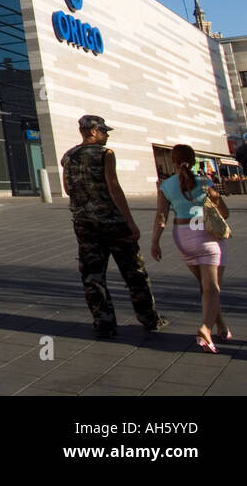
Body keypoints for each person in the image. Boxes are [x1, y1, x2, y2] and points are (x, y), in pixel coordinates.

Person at [61, 114, 166, 339]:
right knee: (134, 273)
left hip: (84, 225)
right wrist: (129, 220)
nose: (106, 134)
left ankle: (104, 323)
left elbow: (68, 189)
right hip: (113, 223)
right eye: (103, 130)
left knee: (93, 276)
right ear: (90, 131)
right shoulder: (105, 154)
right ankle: (149, 319)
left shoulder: (68, 156)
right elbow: (114, 187)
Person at [152, 144, 231, 352]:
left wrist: (155, 241)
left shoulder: (165, 185)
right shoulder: (205, 182)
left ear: (174, 162)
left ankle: (221, 326)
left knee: (207, 287)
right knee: (212, 288)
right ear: (195, 161)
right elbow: (225, 212)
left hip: (183, 238)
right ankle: (206, 329)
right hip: (206, 236)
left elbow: (161, 216)